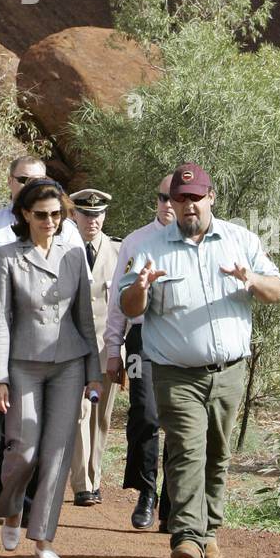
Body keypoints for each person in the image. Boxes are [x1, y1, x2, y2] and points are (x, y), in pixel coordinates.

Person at [119, 163, 280, 558]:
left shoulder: (240, 240)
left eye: (196, 198)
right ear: (171, 203)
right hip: (176, 371)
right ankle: (187, 536)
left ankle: (209, 530)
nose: (189, 205)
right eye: (181, 198)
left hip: (229, 371)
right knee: (186, 449)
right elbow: (128, 307)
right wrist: (140, 288)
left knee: (218, 451)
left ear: (211, 198)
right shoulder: (150, 249)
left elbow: (277, 290)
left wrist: (251, 281)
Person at [0, 155, 82, 513]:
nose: (30, 186)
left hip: (48, 330)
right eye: (23, 179)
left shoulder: (65, 229)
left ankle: (28, 499)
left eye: (38, 179)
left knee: (39, 415)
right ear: (10, 181)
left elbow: (78, 289)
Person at [0, 179, 100, 558]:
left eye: (56, 214)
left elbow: (84, 319)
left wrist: (94, 372)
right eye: (41, 214)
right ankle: (12, 509)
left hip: (69, 363)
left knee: (56, 453)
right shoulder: (5, 256)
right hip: (23, 364)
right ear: (24, 214)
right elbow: (0, 320)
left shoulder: (74, 255)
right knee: (24, 449)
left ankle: (43, 539)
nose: (50, 221)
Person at [104, 175, 175, 530]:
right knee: (145, 413)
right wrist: (112, 348)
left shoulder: (197, 241)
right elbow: (118, 300)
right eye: (161, 197)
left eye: (173, 198)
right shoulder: (136, 241)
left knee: (178, 419)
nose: (166, 204)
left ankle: (173, 500)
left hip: (181, 337)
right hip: (142, 336)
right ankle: (147, 491)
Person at [68, 188, 121, 506]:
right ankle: (82, 484)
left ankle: (95, 476)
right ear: (74, 215)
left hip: (106, 349)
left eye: (98, 214)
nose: (93, 220)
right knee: (79, 413)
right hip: (73, 350)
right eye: (86, 214)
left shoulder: (118, 252)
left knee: (101, 417)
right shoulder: (62, 250)